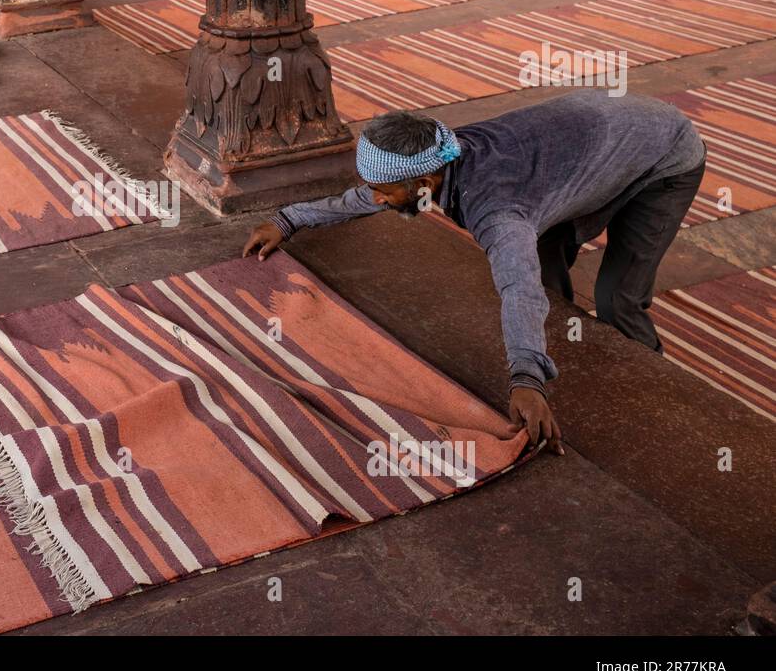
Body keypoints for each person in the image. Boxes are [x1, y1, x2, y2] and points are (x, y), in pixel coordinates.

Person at [242, 91, 707, 454]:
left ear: (423, 185)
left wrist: (524, 379)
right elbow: (364, 197)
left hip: (662, 153)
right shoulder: (439, 152)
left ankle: (654, 387)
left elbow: (517, 288)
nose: (379, 200)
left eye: (386, 193)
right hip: (590, 142)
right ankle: (558, 347)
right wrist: (289, 219)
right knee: (545, 259)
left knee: (617, 295)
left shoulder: (499, 210)